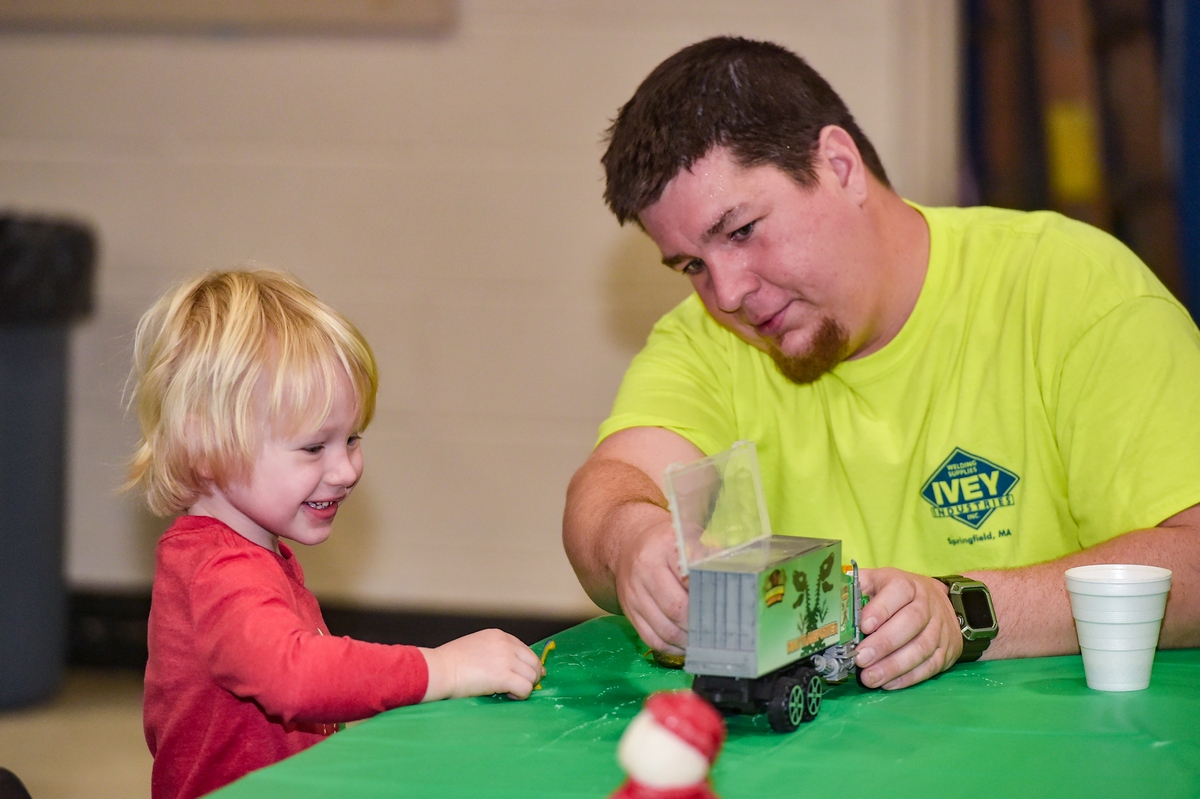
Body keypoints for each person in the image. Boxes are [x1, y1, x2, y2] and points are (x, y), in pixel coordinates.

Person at [562, 36, 1200, 692]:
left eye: (743, 230)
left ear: (839, 165)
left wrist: (965, 610)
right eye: (692, 265)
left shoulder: (1073, 289)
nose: (727, 294)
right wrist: (630, 540)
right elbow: (609, 483)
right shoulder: (707, 339)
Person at [127, 269, 543, 799]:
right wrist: (442, 668)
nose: (346, 470)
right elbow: (294, 678)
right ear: (205, 446)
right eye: (313, 447)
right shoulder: (220, 569)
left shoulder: (243, 553)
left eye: (352, 439)